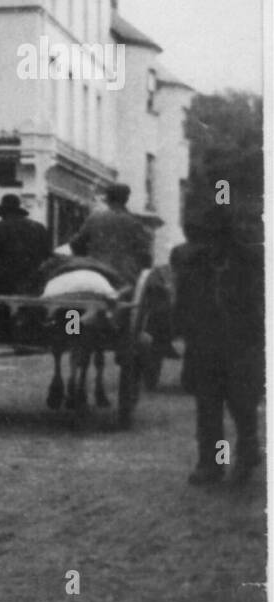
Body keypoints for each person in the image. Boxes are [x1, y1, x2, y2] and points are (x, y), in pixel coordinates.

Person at [171, 206, 264, 486]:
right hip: (227, 342)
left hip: (227, 341)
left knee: (222, 404)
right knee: (230, 403)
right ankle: (224, 459)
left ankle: (225, 460)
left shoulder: (190, 257)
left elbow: (181, 301)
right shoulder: (248, 257)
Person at [66, 182, 152, 286]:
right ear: (126, 199)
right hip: (124, 279)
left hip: (96, 273)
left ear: (107, 198)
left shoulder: (94, 218)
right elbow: (146, 257)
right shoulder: (135, 223)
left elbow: (75, 245)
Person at [0, 194, 52, 294]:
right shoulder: (39, 228)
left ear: (3, 213)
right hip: (33, 283)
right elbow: (47, 255)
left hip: (4, 284)